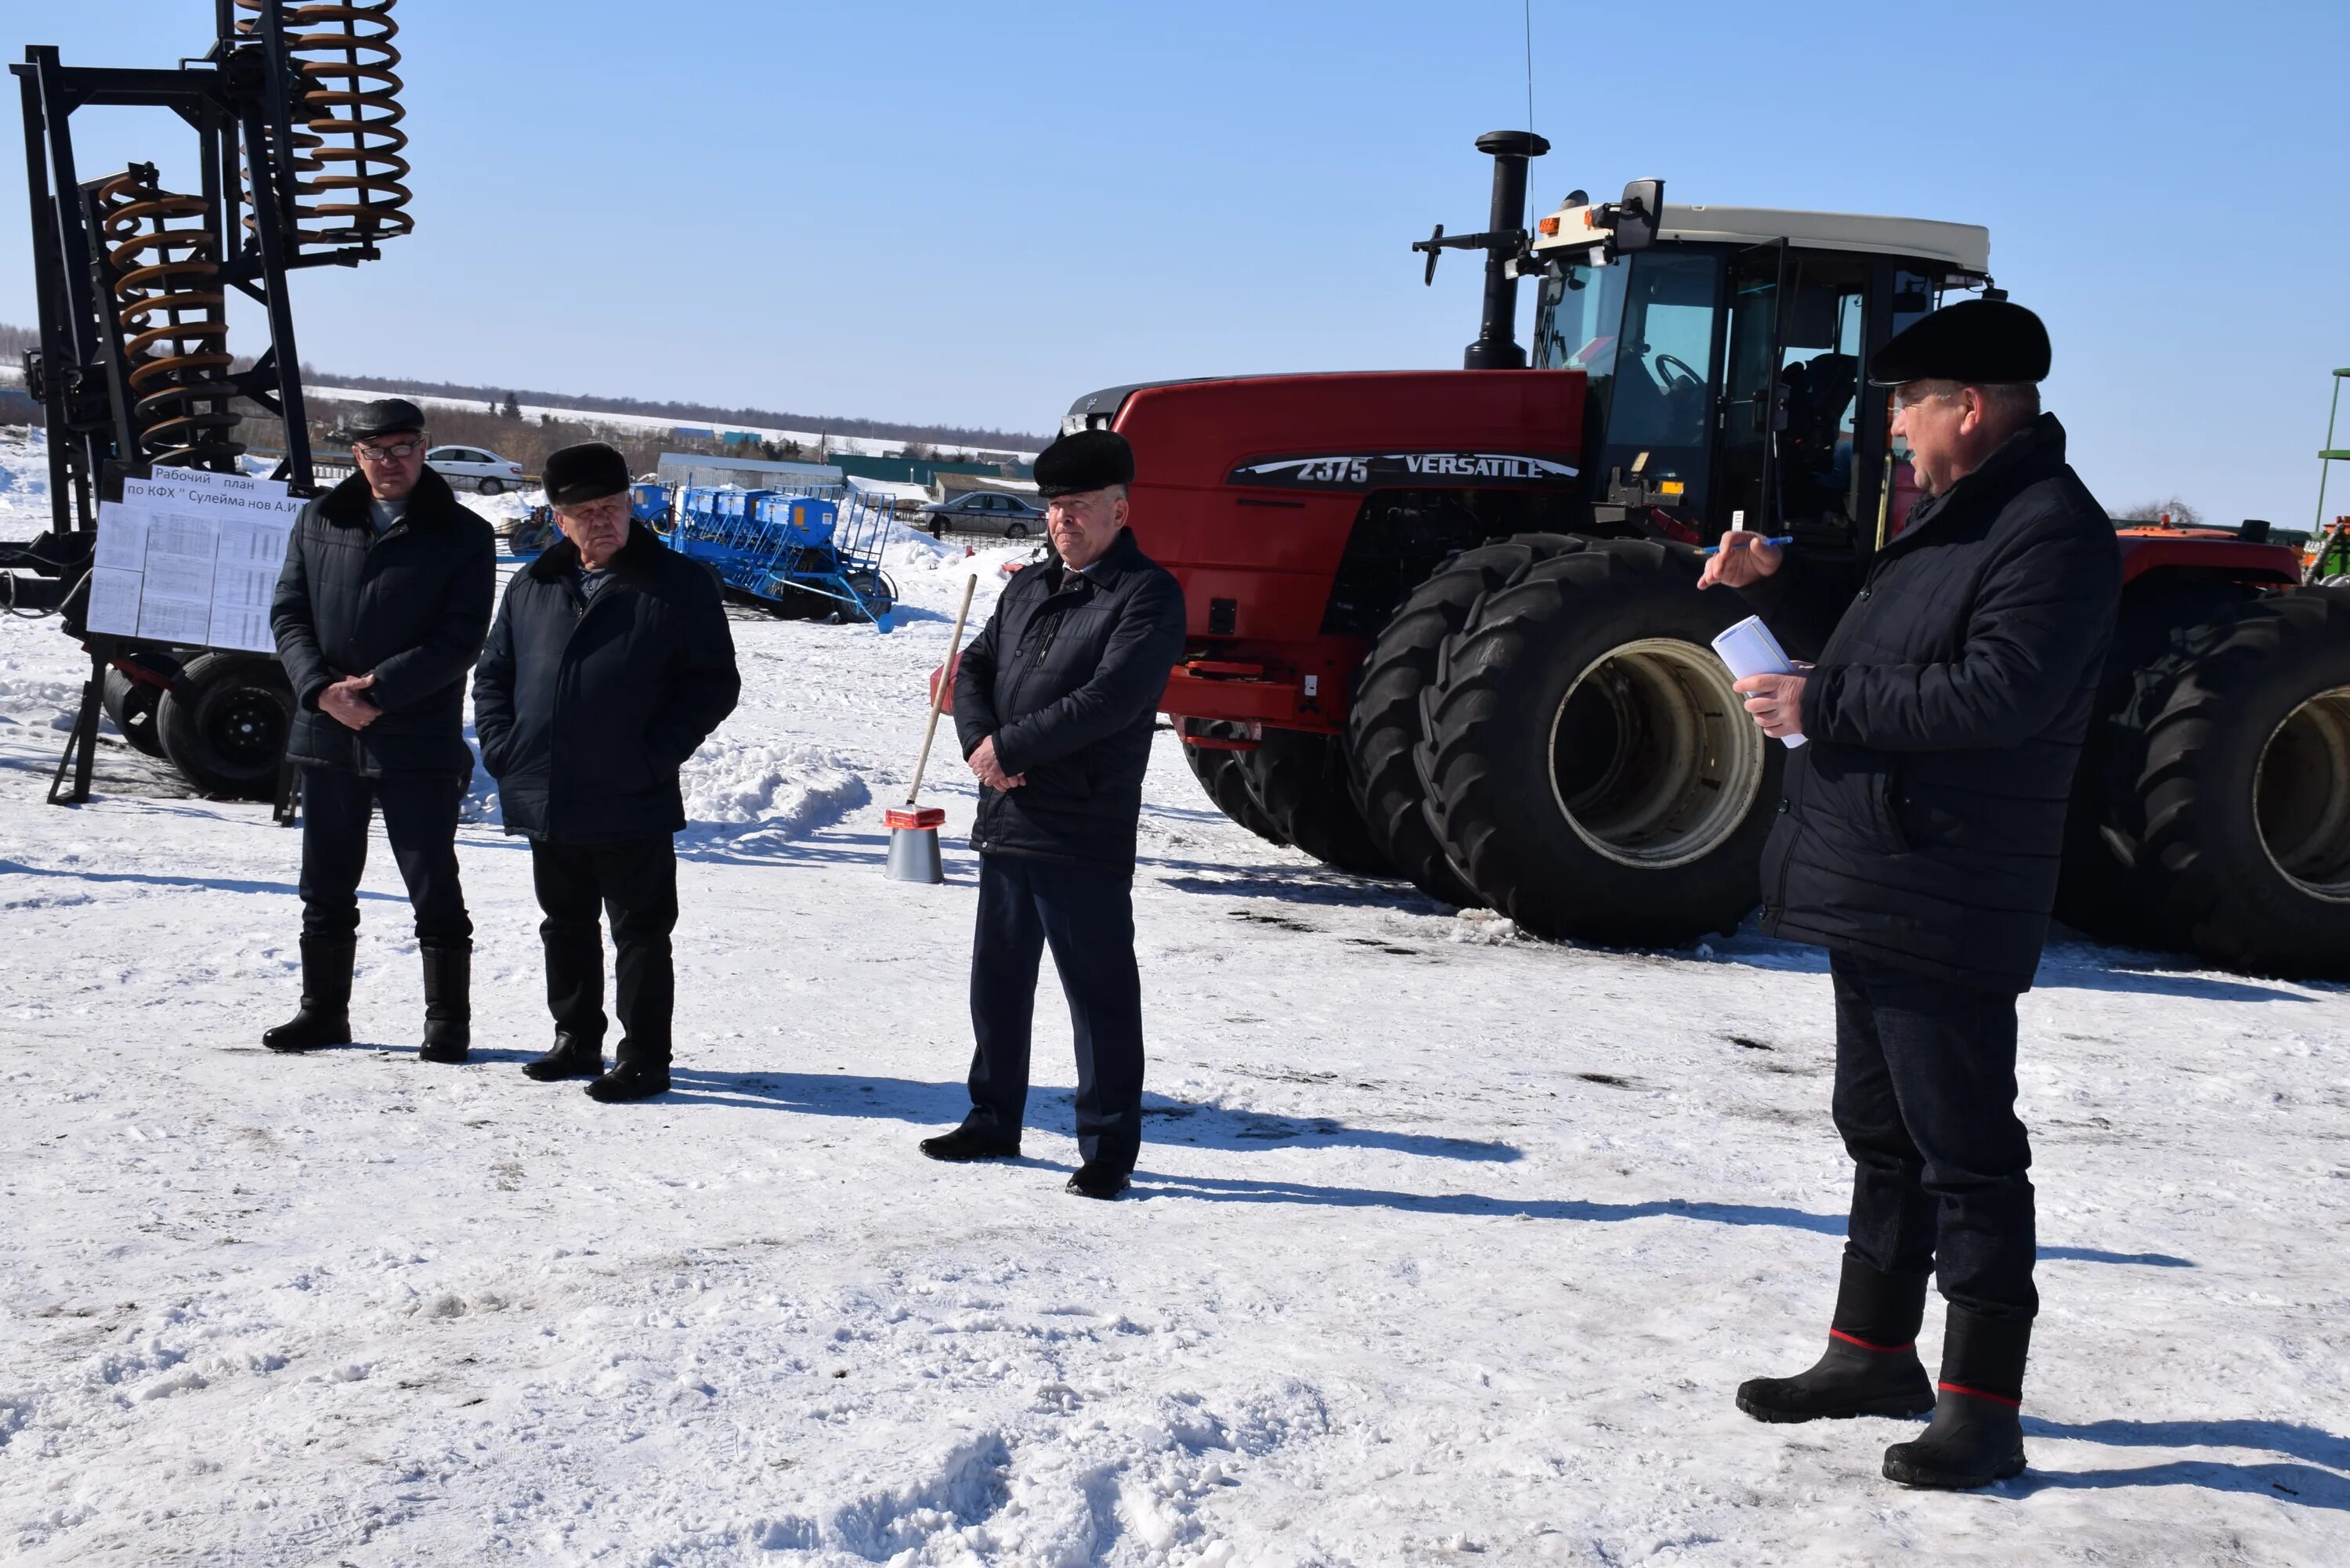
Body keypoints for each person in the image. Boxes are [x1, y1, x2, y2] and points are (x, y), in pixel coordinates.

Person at [1699, 298, 2123, 1490]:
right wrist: (1778, 592)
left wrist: (1817, 705)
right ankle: (1873, 1350)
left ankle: (1984, 1405)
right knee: (1881, 1133)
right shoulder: (1954, 521)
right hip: (1881, 870)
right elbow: (1883, 650)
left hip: (1950, 885)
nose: (1892, 426)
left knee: (1967, 1150)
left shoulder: (2051, 536)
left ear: (1971, 408)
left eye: (1907, 403)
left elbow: (1998, 697)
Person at [919, 428, 1188, 1199]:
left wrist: (1013, 747)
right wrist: (982, 743)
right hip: (1006, 814)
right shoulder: (1028, 588)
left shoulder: (1145, 594)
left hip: (1082, 824)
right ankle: (993, 1115)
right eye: (1055, 506)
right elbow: (973, 665)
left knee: (1098, 994)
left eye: (1079, 506)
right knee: (998, 981)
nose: (1063, 519)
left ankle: (1108, 1148)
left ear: (1119, 508)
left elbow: (1111, 700)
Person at [471, 443, 739, 1103]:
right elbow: (494, 675)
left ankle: (645, 1057)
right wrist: (505, 751)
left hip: (630, 791)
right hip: (546, 787)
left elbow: (713, 685)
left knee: (640, 932)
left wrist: (653, 754)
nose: (603, 522)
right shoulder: (533, 584)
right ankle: (575, 1038)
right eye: (586, 511)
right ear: (557, 518)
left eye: (614, 507)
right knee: (563, 923)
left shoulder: (677, 584)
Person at [266, 398, 497, 1060]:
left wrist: (378, 692)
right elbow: (288, 613)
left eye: (402, 448)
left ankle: (447, 1021)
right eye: (375, 450)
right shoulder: (320, 520)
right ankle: (322, 1012)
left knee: (432, 881)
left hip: (415, 736)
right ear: (356, 454)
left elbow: (459, 640)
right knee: (326, 882)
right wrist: (320, 690)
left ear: (425, 449)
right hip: (328, 733)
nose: (389, 462)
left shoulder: (463, 535)